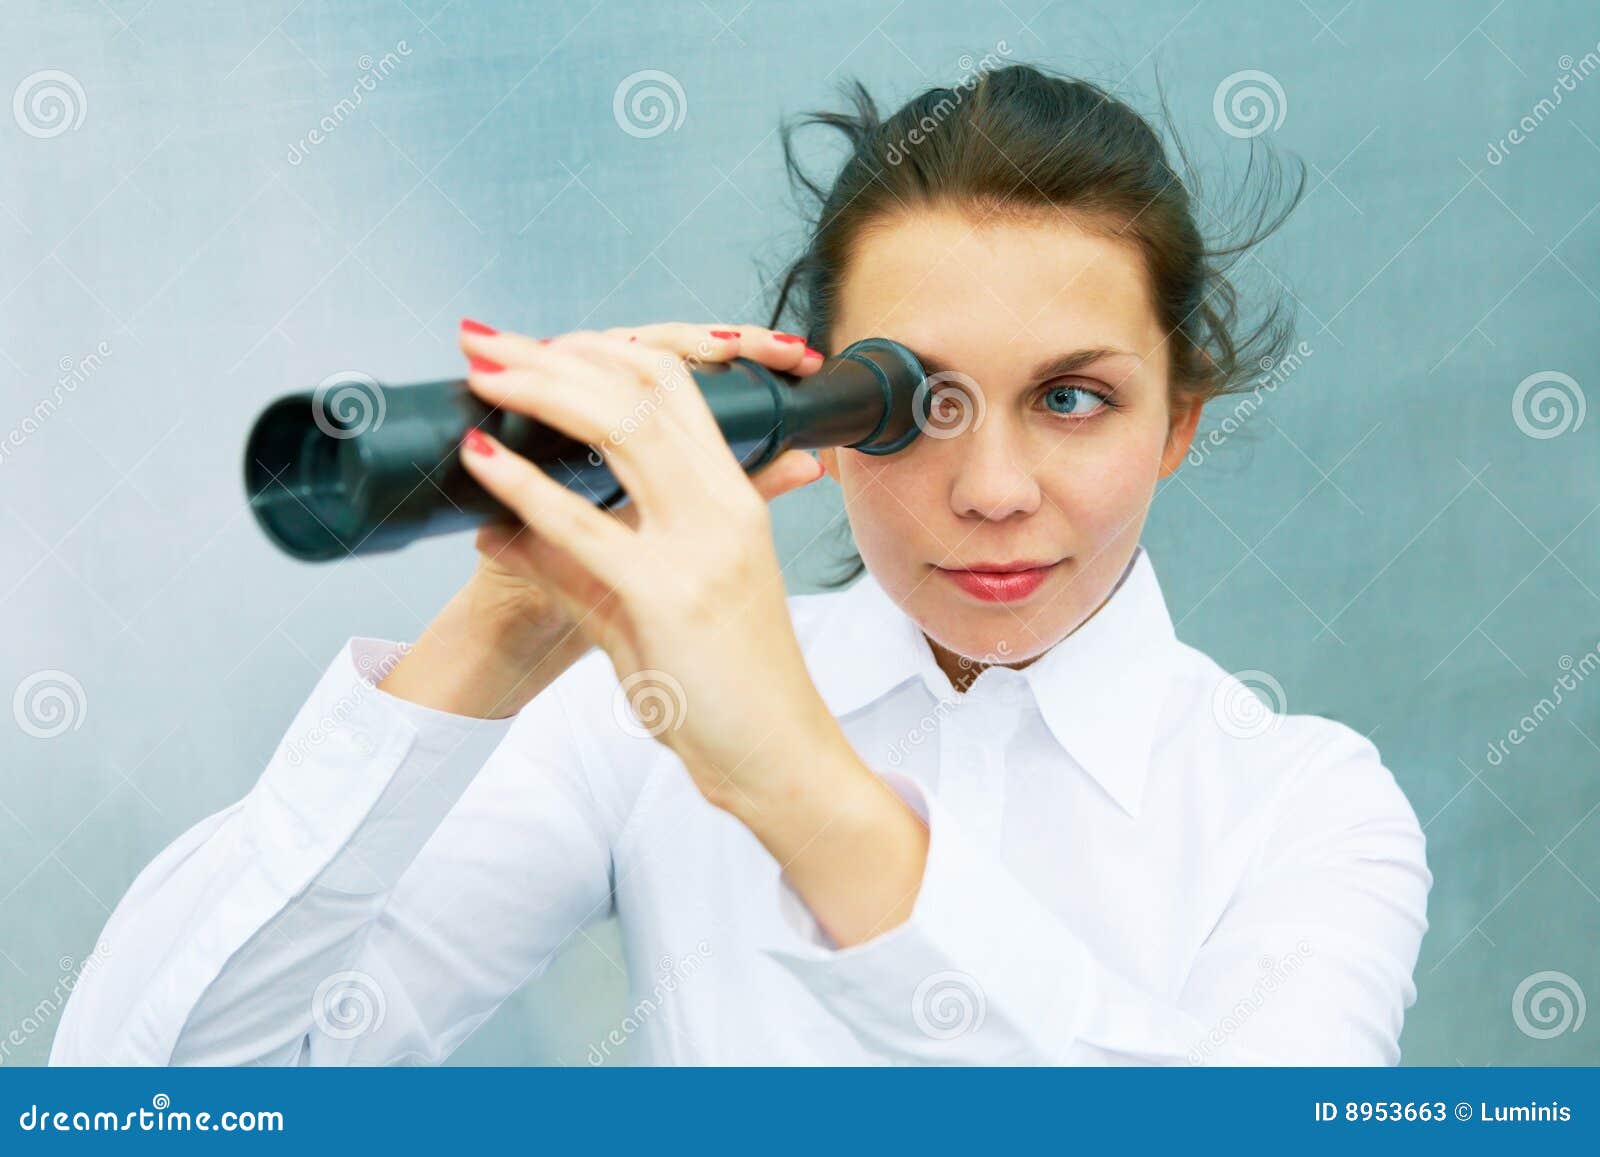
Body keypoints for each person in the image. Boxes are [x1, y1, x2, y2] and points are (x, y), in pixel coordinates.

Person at [51, 63, 1430, 1066]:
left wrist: (787, 771)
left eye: (1073, 399)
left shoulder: (1308, 809)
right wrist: (508, 619)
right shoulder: (632, 716)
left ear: (1178, 423)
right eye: (919, 402)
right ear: (821, 415)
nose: (994, 490)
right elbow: (157, 1096)